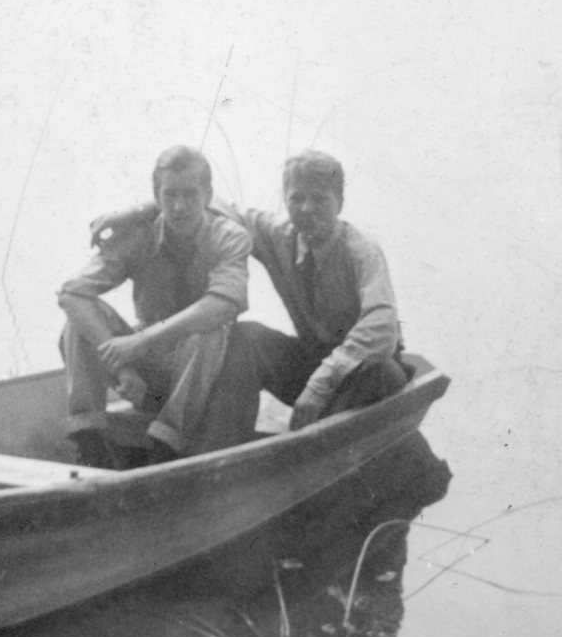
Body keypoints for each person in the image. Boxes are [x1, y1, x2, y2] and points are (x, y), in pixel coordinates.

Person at [93, 149, 406, 435]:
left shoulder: (361, 251)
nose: (307, 209)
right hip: (312, 364)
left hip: (357, 370)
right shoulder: (278, 235)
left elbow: (381, 324)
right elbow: (207, 202)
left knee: (383, 372)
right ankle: (219, 447)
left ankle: (318, 434)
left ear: (340, 201)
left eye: (320, 199)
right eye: (297, 198)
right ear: (286, 199)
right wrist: (134, 213)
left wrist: (322, 383)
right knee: (247, 336)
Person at [58, 146, 250, 466]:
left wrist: (141, 341)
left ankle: (167, 448)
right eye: (170, 194)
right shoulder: (139, 235)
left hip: (203, 379)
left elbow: (225, 304)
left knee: (209, 329)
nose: (179, 206)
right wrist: (122, 366)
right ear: (156, 195)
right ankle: (90, 443)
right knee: (76, 321)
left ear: (208, 194)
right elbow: (72, 293)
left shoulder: (229, 236)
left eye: (190, 194)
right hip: (148, 374)